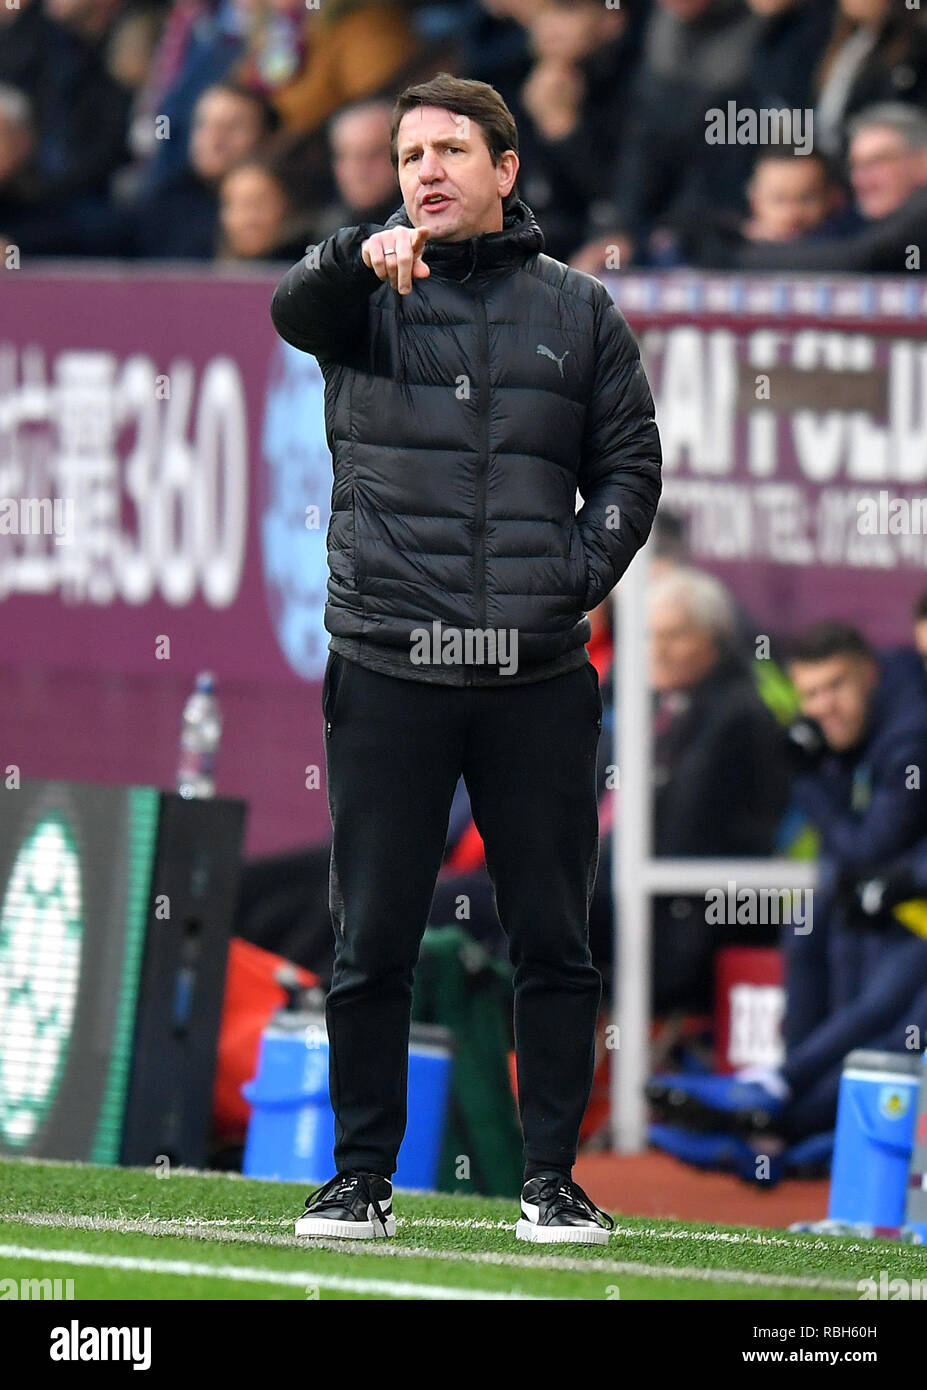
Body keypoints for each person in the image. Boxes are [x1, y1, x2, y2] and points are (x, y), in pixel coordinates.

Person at [270, 71, 662, 1243]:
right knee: (371, 937)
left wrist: (566, 584)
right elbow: (294, 309)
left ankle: (550, 1180)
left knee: (554, 937)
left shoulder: (581, 311)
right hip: (389, 663)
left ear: (507, 169)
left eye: (450, 150)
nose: (427, 171)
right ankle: (361, 1178)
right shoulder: (362, 292)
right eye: (408, 156)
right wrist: (354, 252)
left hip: (535, 675)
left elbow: (631, 471)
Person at [648, 622, 927, 1177]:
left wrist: (806, 775)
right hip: (897, 907)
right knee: (820, 920)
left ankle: (772, 1111)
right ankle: (776, 1122)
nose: (822, 707)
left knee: (895, 1007)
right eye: (811, 693)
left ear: (866, 677)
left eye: (835, 689)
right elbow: (857, 852)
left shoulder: (907, 735)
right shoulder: (885, 700)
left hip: (912, 913)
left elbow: (866, 845)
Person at [735, 101, 927, 270]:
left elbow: (855, 259)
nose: (860, 180)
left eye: (877, 161)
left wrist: (750, 250)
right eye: (856, 166)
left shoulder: (920, 214)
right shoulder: (862, 225)